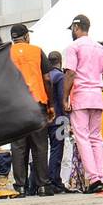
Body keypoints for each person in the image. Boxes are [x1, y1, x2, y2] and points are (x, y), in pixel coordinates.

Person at [62, 14, 103, 193]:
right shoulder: (100, 48)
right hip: (96, 96)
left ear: (76, 28)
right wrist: (95, 87)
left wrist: (65, 97)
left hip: (81, 96)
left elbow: (70, 74)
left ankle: (93, 179)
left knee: (82, 137)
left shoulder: (73, 47)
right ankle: (100, 177)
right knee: (96, 137)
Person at [8, 24, 54, 197]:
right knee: (40, 145)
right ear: (26, 36)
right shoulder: (37, 51)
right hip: (37, 104)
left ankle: (20, 187)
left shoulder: (6, 54)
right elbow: (47, 78)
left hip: (15, 105)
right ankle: (43, 186)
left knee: (18, 147)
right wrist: (50, 104)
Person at [45, 51, 69, 193]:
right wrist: (68, 119)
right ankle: (55, 179)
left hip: (46, 119)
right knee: (57, 150)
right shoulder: (60, 76)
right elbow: (62, 98)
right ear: (60, 61)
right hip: (60, 119)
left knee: (44, 151)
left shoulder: (46, 76)